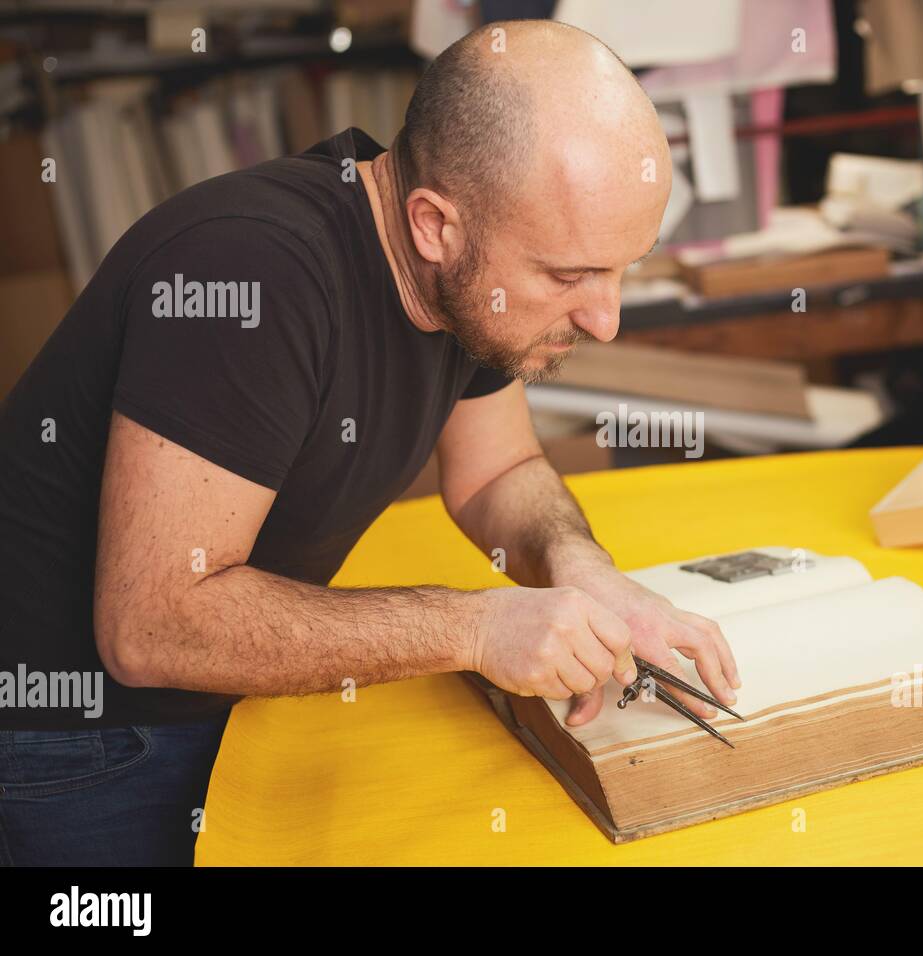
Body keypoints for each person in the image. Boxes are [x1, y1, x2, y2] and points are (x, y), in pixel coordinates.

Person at [0, 19, 739, 866]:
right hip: (80, 740)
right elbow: (152, 627)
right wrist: (474, 628)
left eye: (621, 269)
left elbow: (499, 469)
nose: (604, 321)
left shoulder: (463, 283)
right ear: (434, 224)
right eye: (568, 276)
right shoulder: (248, 278)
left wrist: (584, 571)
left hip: (224, 696)